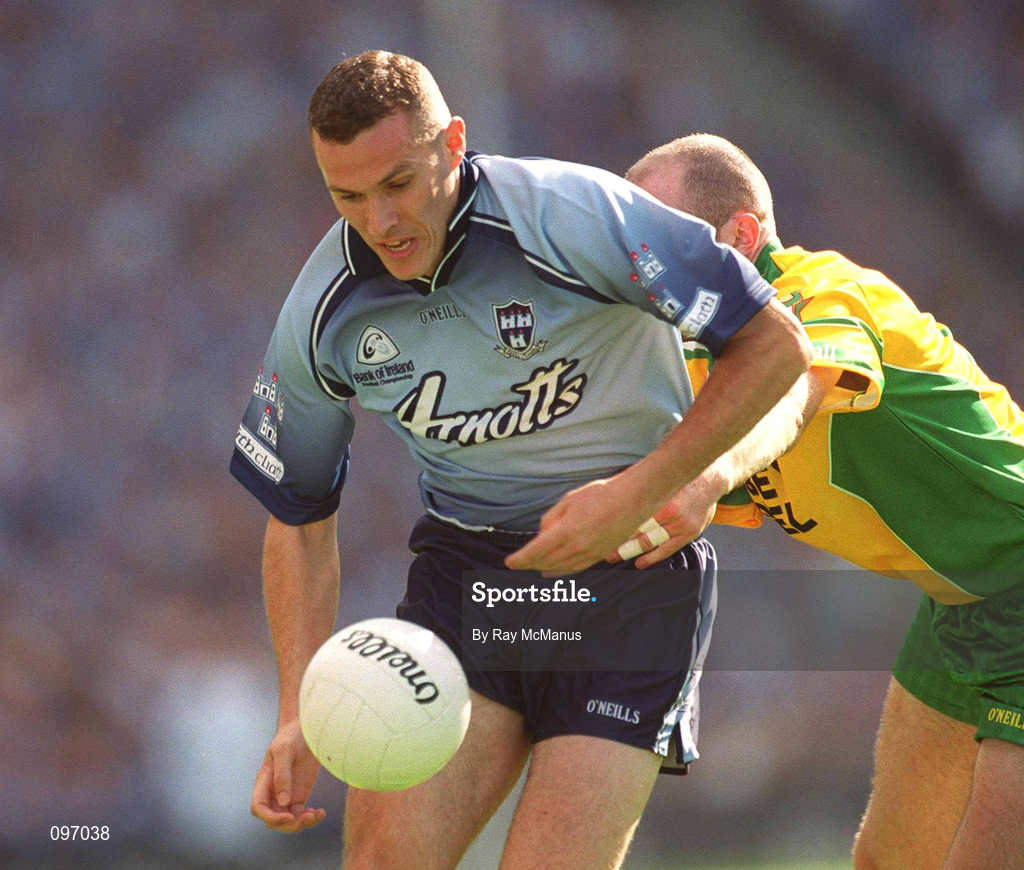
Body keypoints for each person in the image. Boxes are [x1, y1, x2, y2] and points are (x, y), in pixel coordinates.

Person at [230, 53, 811, 870]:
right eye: (348, 197)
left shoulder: (577, 216)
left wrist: (643, 490)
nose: (380, 220)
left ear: (453, 144)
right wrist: (295, 710)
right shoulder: (322, 307)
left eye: (398, 183)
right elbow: (297, 520)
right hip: (471, 584)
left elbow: (776, 345)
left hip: (632, 583)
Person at [621, 133, 1024, 870]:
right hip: (960, 612)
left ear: (742, 238)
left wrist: (705, 479)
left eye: (657, 240)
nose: (636, 265)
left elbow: (800, 383)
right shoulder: (698, 364)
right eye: (626, 242)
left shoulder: (818, 289)